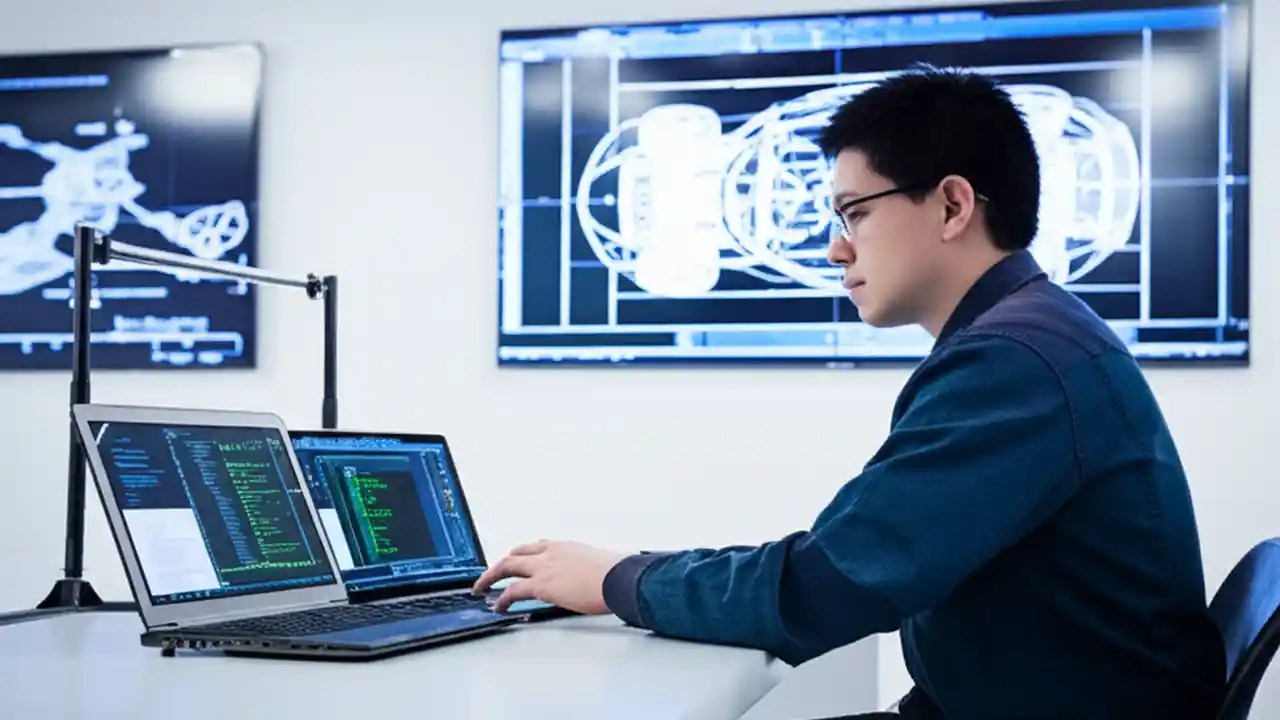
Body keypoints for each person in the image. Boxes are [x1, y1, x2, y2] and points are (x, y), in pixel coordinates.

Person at [472, 66, 1226, 719]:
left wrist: (614, 578)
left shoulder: (1015, 361)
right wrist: (633, 570)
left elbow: (823, 590)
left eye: (856, 213)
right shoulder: (1035, 336)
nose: (835, 248)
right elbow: (843, 559)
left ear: (954, 206)